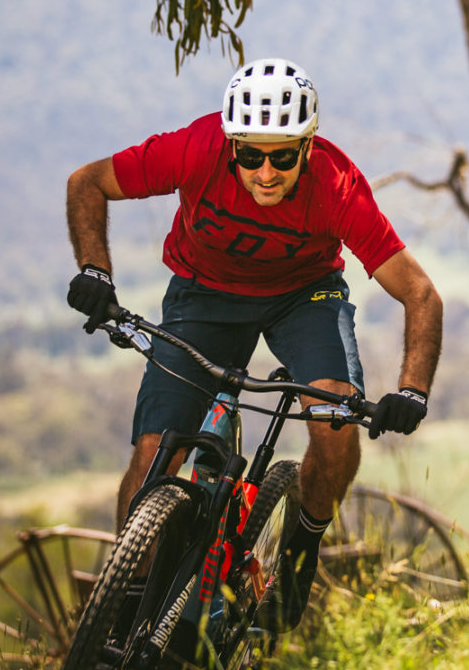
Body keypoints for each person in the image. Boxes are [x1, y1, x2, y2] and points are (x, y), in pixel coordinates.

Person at [63, 57, 443, 629]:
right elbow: (87, 181)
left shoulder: (338, 186)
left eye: (283, 157)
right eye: (250, 155)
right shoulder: (195, 150)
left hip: (304, 295)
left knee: (334, 423)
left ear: (308, 148)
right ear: (230, 143)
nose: (266, 173)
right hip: (203, 293)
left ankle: (299, 550)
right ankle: (122, 610)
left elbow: (420, 293)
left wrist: (412, 390)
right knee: (155, 450)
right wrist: (95, 270)